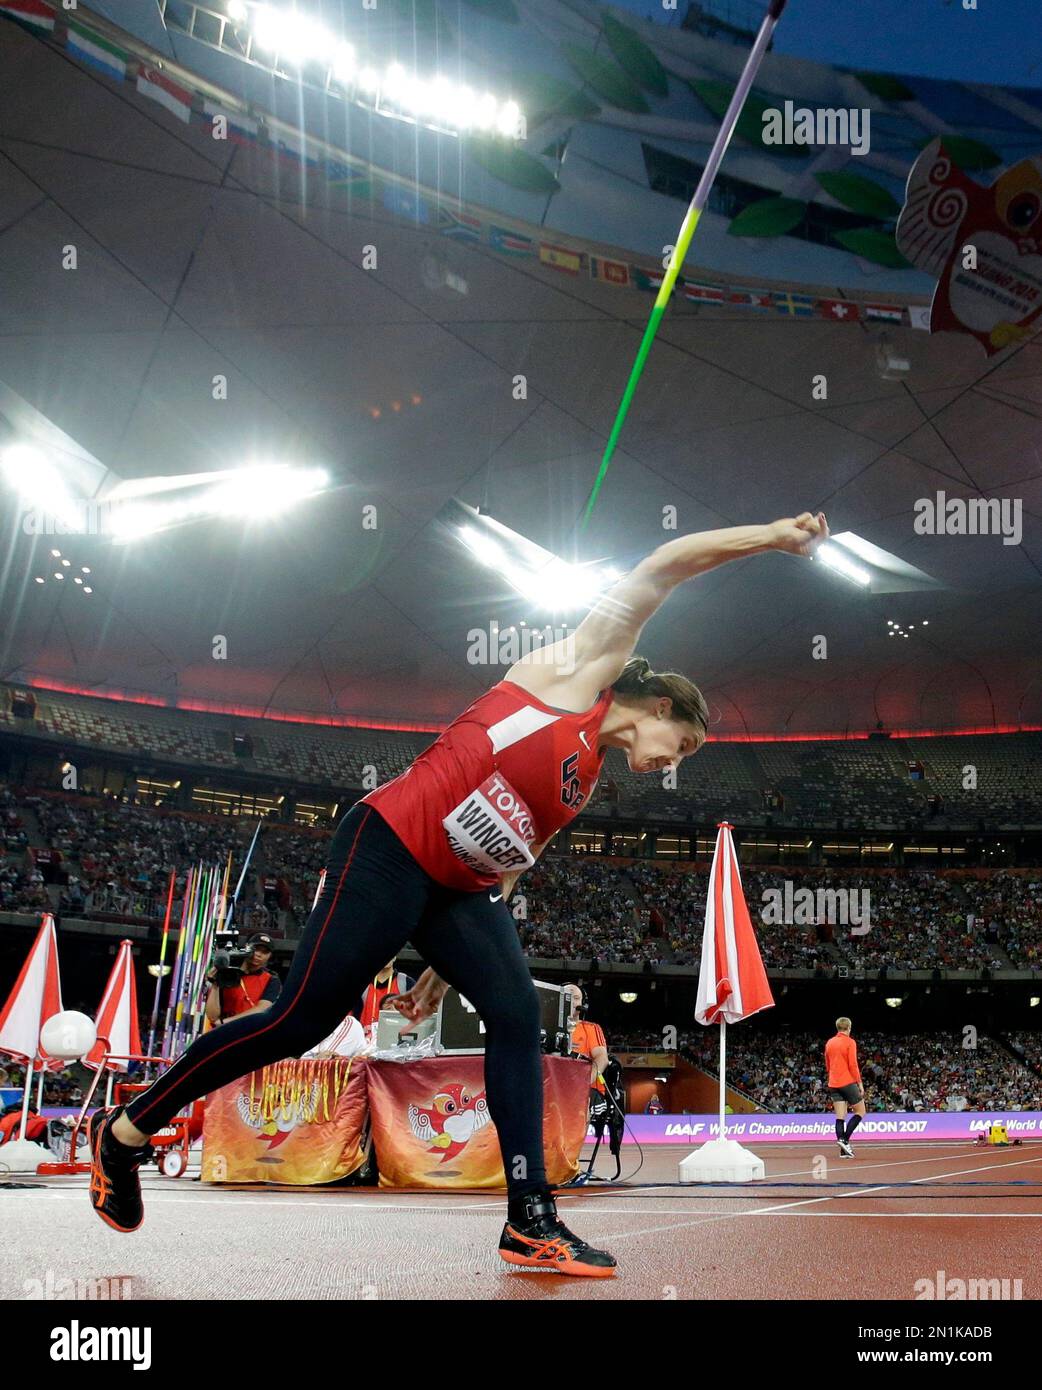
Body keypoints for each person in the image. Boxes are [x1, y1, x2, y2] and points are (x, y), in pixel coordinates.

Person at [87, 511, 829, 1277]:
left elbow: (503, 864)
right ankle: (128, 1129)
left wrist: (442, 972)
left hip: (453, 890)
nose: (672, 764)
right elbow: (662, 566)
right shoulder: (581, 669)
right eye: (683, 747)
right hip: (388, 847)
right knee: (299, 1022)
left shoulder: (583, 783)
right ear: (666, 709)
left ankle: (529, 1219)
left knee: (513, 1012)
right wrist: (772, 537)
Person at [203, 934, 281, 1028]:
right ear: (246, 947)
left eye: (264, 952)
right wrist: (215, 984)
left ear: (270, 956)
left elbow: (263, 1008)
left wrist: (227, 1022)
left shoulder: (271, 979)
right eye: (255, 948)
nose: (258, 954)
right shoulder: (227, 973)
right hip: (225, 1033)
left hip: (250, 1031)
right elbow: (212, 1017)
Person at [826, 1016, 866, 1157]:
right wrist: (859, 1083)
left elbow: (828, 1064)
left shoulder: (830, 1042)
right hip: (847, 1081)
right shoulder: (850, 1042)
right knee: (860, 1111)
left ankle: (843, 1151)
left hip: (833, 1082)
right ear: (849, 1028)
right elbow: (853, 1065)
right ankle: (844, 1139)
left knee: (840, 1116)